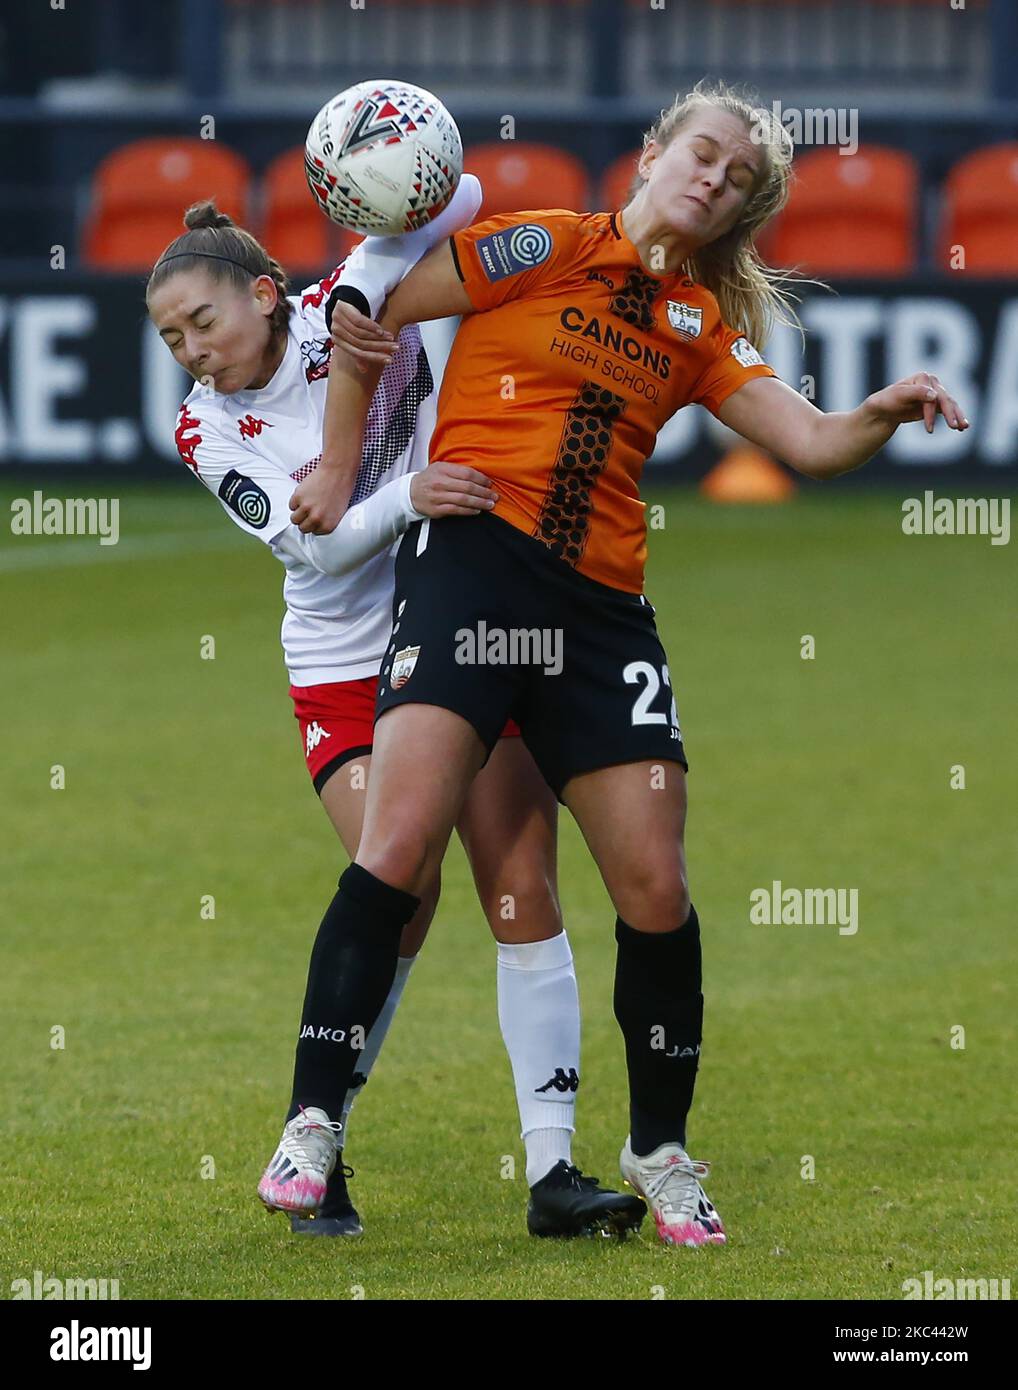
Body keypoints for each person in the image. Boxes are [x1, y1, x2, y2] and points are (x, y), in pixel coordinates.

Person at [286, 78, 969, 1249]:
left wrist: (881, 411)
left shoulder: (700, 327)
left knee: (654, 884)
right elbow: (378, 313)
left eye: (735, 177)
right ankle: (309, 1128)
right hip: (472, 572)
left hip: (601, 616)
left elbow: (806, 442)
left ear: (734, 210)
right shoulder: (545, 242)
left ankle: (658, 1150)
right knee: (396, 849)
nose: (711, 179)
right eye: (700, 155)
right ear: (651, 155)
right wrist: (345, 465)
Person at [145, 179, 645, 1240]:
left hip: (461, 622)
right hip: (341, 660)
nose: (188, 347)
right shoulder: (202, 428)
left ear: (268, 295)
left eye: (202, 319)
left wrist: (367, 259)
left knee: (521, 882)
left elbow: (453, 190)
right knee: (399, 880)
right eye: (169, 334)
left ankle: (553, 1171)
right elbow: (316, 541)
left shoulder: (349, 301)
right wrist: (405, 495)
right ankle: (317, 1136)